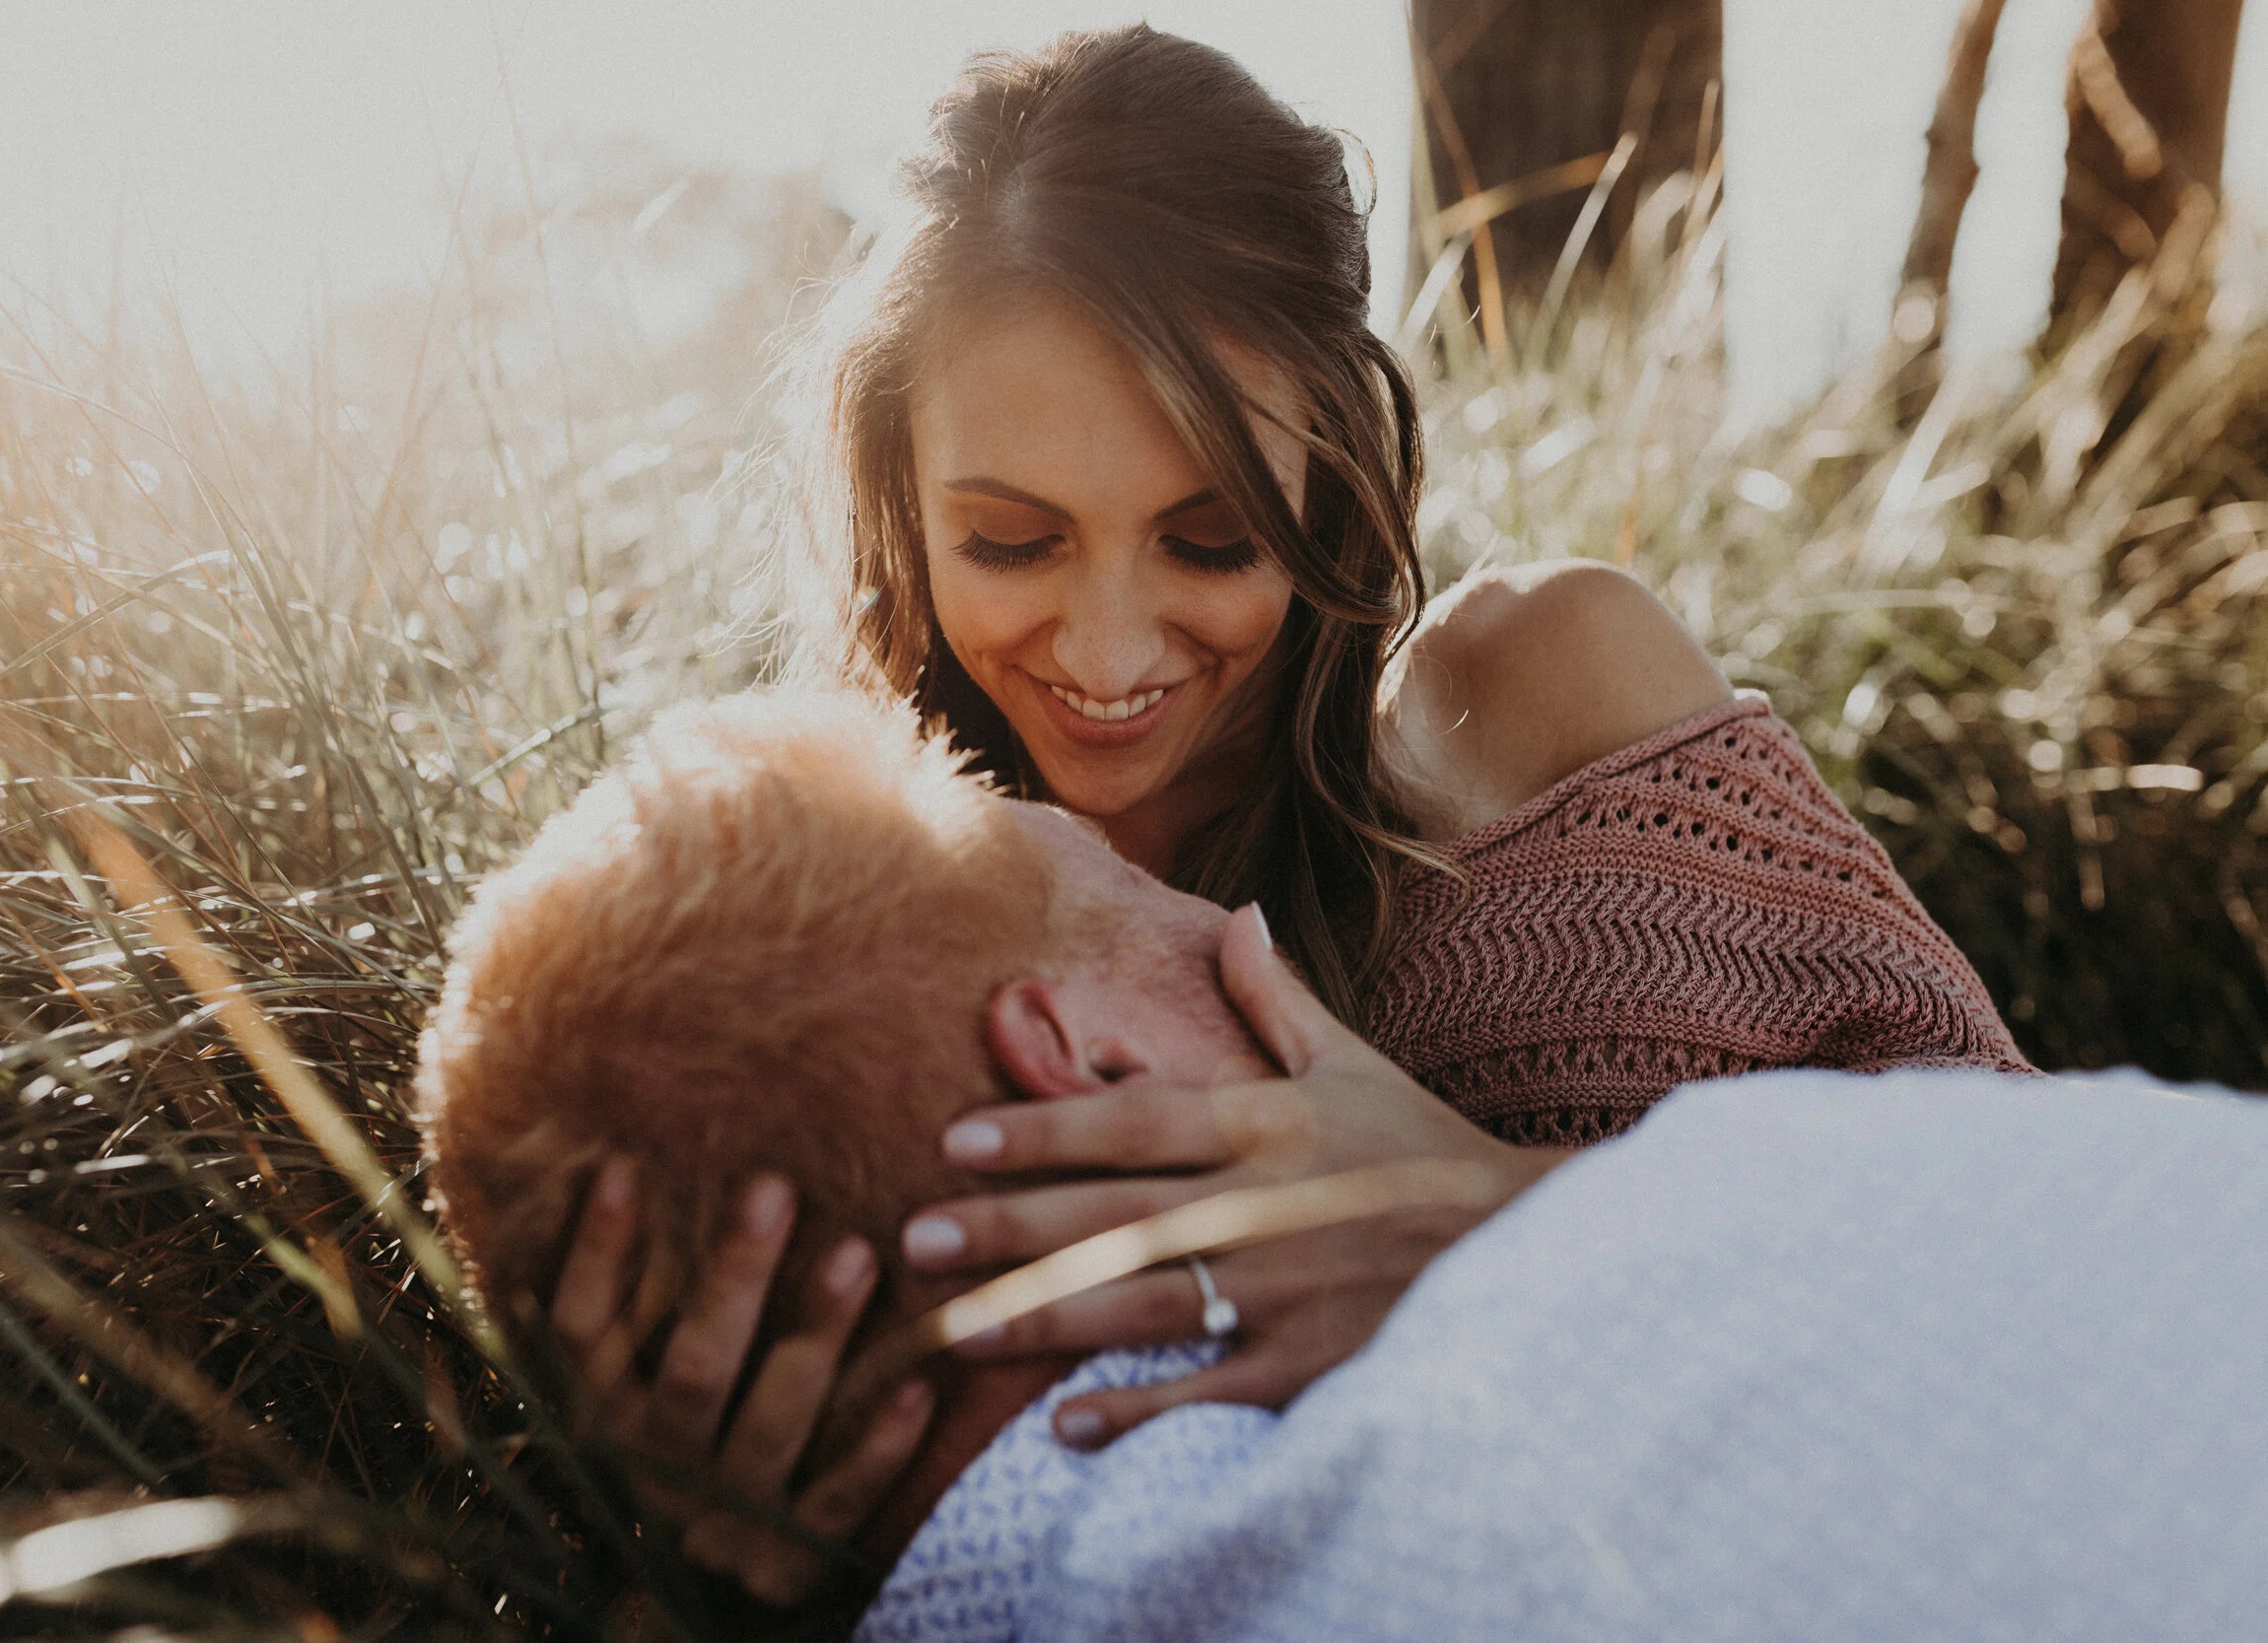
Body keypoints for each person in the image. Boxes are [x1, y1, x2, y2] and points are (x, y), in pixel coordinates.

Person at [551, 20, 2030, 1518]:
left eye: (1213, 538)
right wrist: (759, 1551)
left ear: (1337, 470)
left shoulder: (1552, 700)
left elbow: (2042, 1208)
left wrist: (1496, 1216)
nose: (1110, 652)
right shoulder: (848, 924)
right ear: (898, 499)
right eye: (1012, 539)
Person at [422, 691, 2268, 1641]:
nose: (1226, 912)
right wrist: (1542, 1204)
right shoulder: (1765, 1229)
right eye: (1123, 888)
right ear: (1083, 1057)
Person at [418, 689, 1547, 1615]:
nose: (1224, 916)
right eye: (1146, 893)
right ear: (1086, 1060)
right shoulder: (1557, 1387)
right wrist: (1499, 1202)